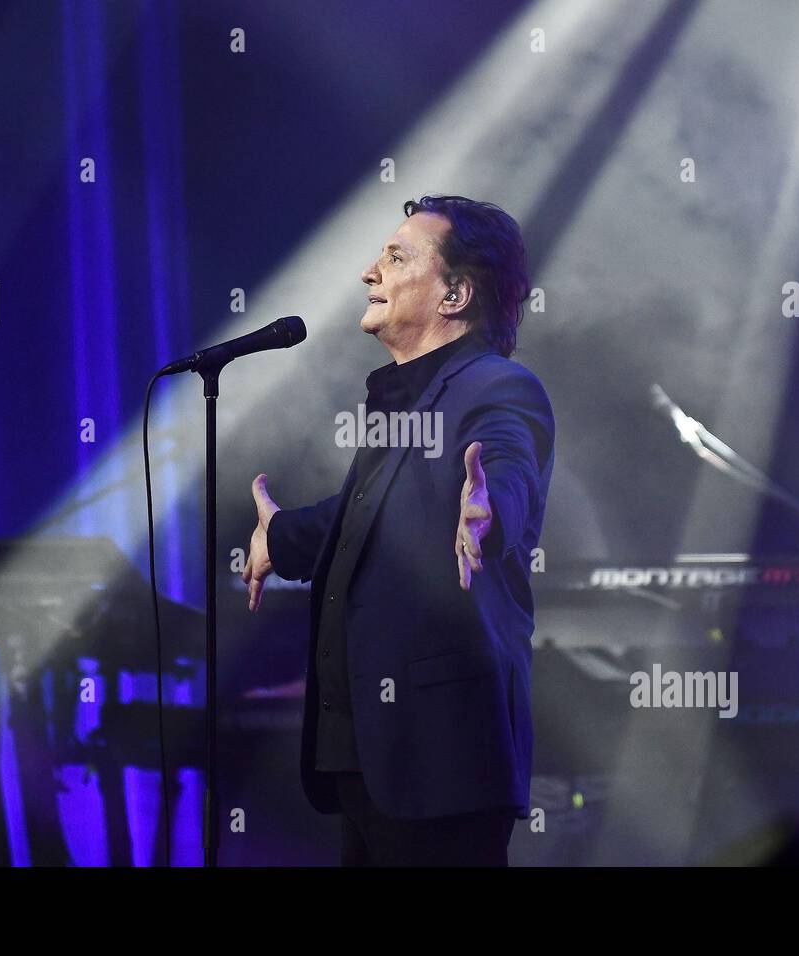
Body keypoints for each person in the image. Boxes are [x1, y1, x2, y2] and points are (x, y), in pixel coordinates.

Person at [242, 195, 555, 866]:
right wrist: (280, 535)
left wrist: (491, 508)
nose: (368, 272)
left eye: (396, 257)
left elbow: (505, 468)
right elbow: (361, 512)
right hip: (369, 759)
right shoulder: (407, 398)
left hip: (439, 762)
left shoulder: (498, 388)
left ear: (455, 293)